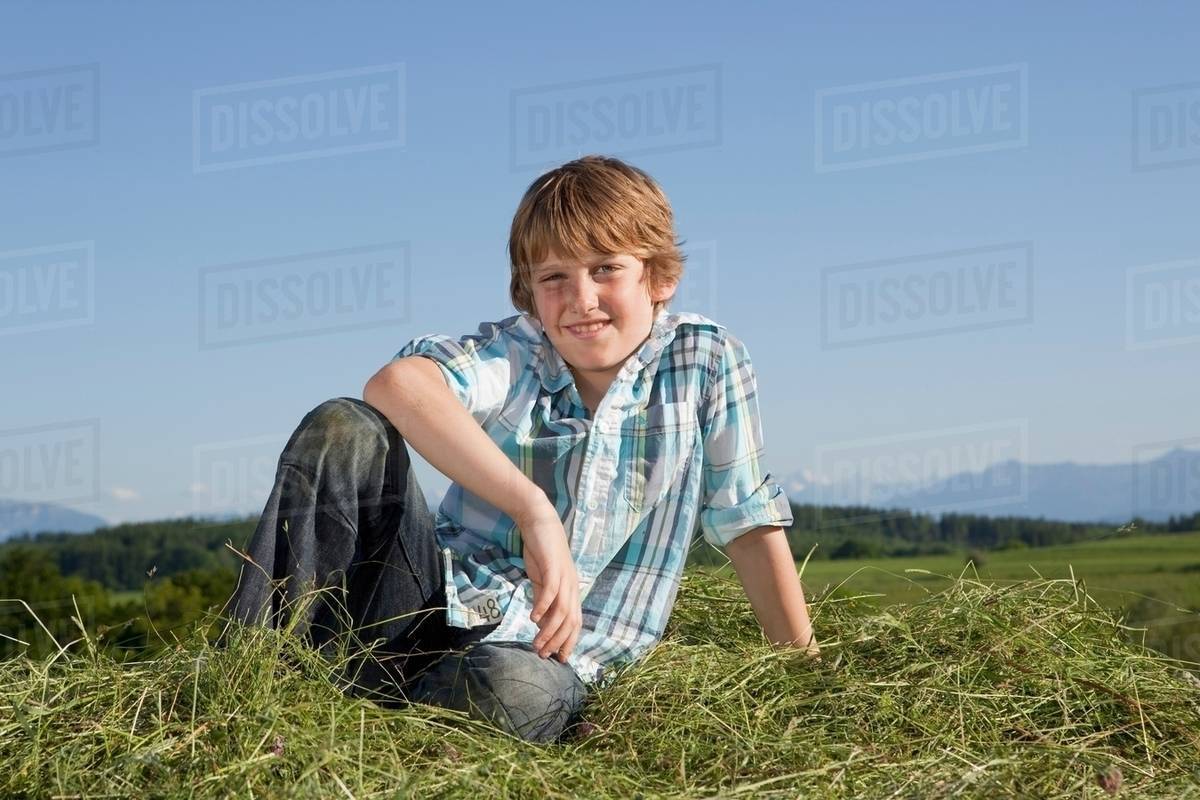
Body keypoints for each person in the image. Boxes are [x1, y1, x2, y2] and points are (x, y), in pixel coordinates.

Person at [225, 155, 818, 744]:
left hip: (549, 654)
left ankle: (376, 700)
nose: (580, 299)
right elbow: (397, 384)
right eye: (554, 277)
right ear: (529, 292)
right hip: (428, 601)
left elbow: (745, 520)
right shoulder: (518, 353)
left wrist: (805, 674)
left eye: (607, 268)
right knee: (344, 429)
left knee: (517, 691)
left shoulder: (706, 363)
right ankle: (253, 681)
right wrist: (532, 510)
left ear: (659, 278)